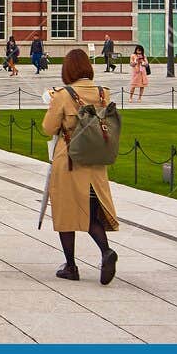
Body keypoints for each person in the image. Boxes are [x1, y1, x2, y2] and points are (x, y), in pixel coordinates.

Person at [41, 49, 120, 284]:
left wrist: (53, 101)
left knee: (66, 212)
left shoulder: (64, 96)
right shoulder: (103, 93)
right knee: (92, 210)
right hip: (96, 162)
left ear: (68, 70)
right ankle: (106, 251)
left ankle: (71, 266)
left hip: (70, 161)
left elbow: (48, 127)